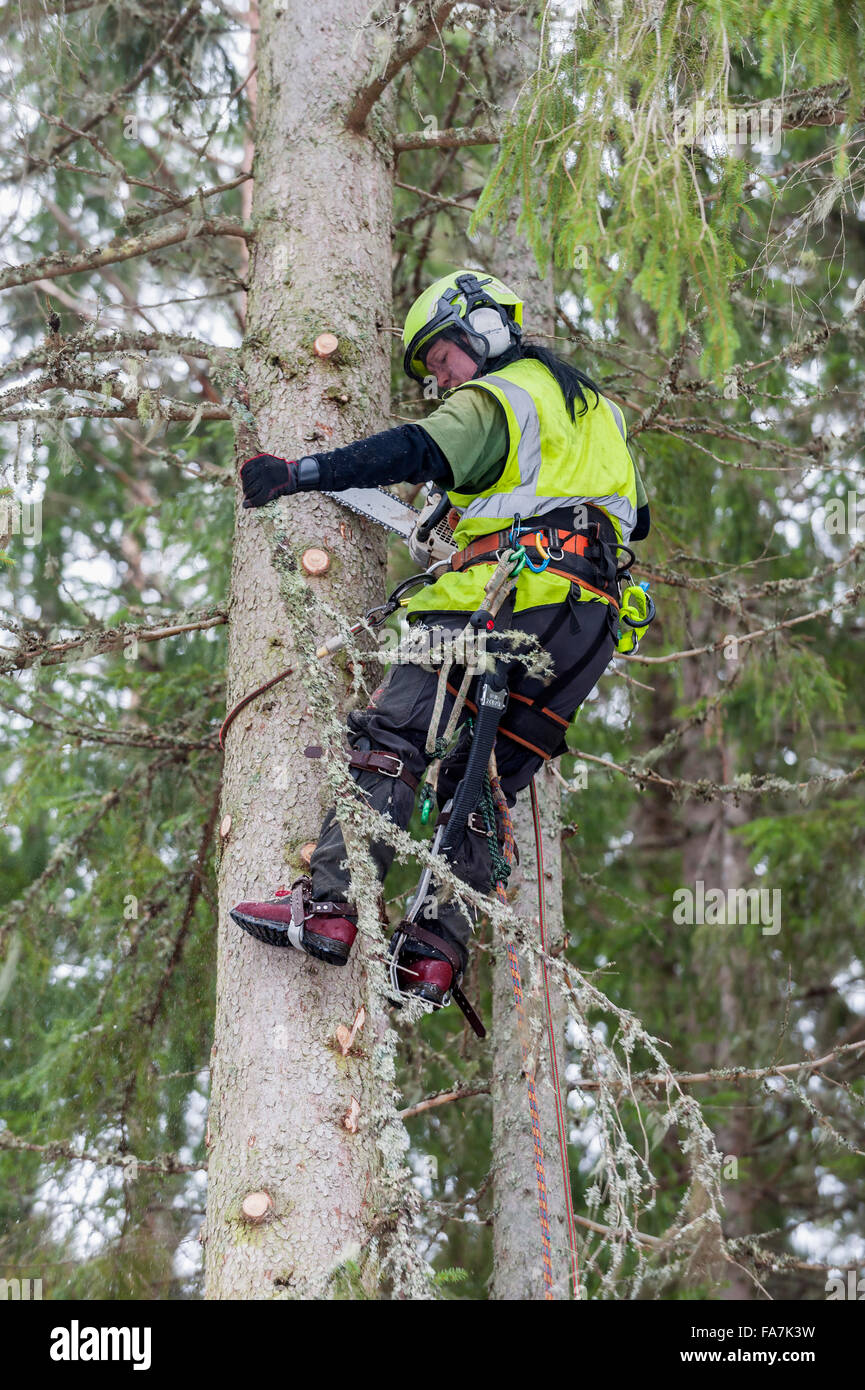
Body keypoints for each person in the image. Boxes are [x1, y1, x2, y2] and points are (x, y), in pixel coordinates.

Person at [230, 270, 650, 1010]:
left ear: (478, 330)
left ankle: (328, 904)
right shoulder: (599, 413)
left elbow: (420, 448)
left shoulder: (501, 393)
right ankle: (431, 953)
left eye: (439, 360)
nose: (440, 380)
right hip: (585, 628)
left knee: (391, 739)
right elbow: (631, 521)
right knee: (483, 784)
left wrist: (302, 472)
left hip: (498, 600)